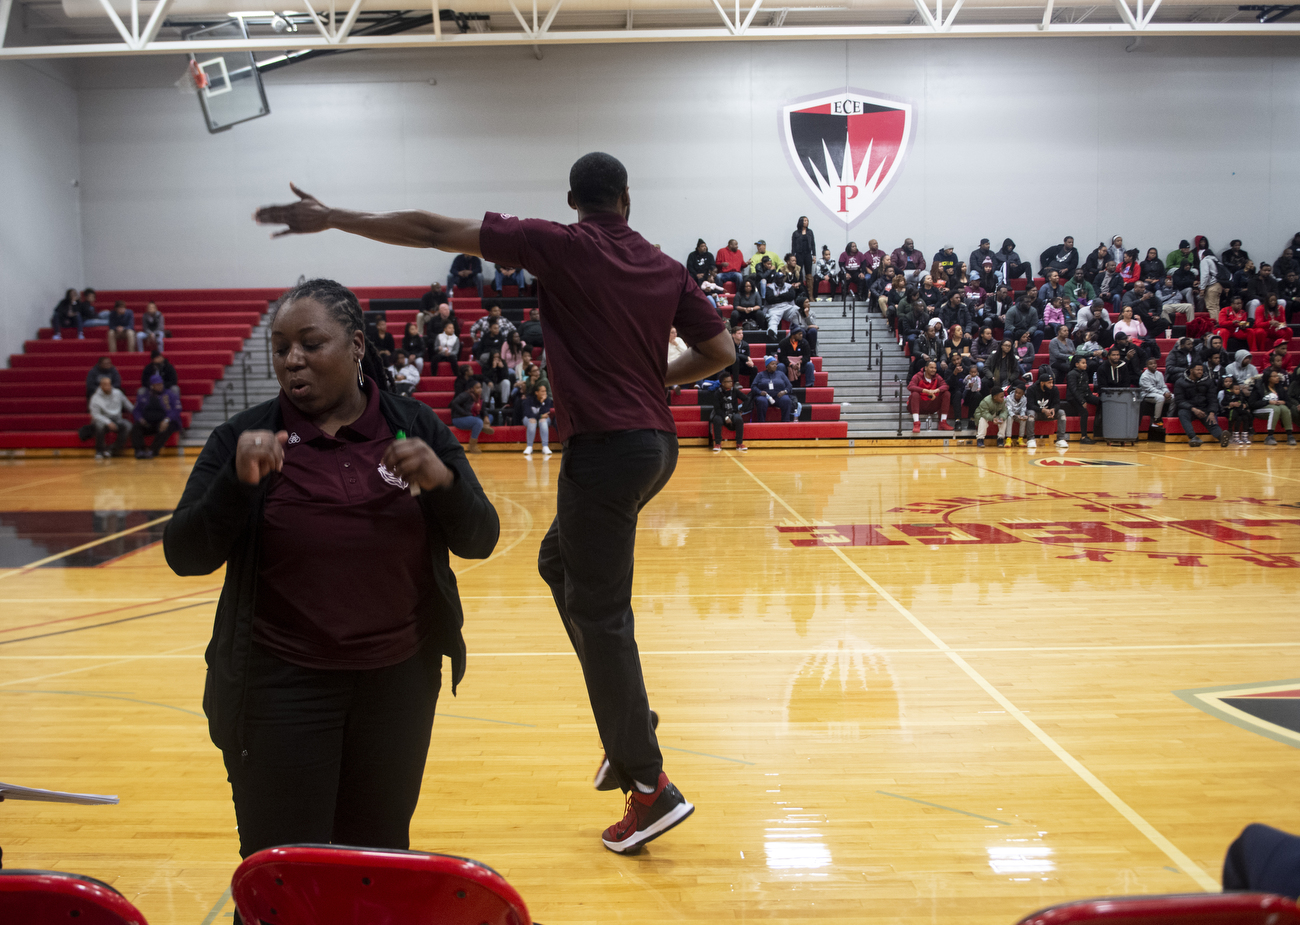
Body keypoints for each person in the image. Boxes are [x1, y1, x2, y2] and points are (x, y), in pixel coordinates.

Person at [256, 154, 732, 854]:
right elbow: (719, 349)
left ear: (574, 200)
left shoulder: (561, 243)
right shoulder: (665, 267)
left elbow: (429, 229)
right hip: (654, 447)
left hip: (603, 450)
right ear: (628, 200)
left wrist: (334, 217)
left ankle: (649, 783)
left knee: (602, 616)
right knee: (557, 565)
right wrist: (654, 380)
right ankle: (624, 731)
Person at [162, 278, 498, 870]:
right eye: (281, 345)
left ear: (357, 346)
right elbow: (185, 555)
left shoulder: (414, 426)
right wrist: (235, 485)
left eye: (311, 343)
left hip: (396, 686)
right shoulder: (241, 438)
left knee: (377, 859)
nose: (292, 359)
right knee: (284, 868)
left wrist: (442, 484)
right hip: (279, 688)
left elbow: (481, 539)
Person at [1175, 362, 1228, 447]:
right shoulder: (1180, 382)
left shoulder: (1208, 382)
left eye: (1201, 370)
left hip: (1204, 408)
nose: (1200, 372)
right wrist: (1193, 409)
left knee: (1211, 419)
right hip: (1189, 409)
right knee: (1182, 413)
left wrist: (1212, 412)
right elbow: (1179, 401)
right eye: (1198, 370)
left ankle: (1222, 437)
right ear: (1191, 370)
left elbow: (1212, 399)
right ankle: (1193, 437)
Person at [132, 373, 182, 458]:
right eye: (157, 385)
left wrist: (167, 420)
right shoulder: (145, 395)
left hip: (164, 421)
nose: (160, 386)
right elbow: (136, 410)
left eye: (161, 384)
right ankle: (139, 450)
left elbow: (176, 410)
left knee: (169, 427)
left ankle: (153, 450)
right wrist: (140, 419)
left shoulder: (169, 394)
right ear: (152, 386)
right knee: (136, 427)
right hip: (148, 423)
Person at [88, 374, 134, 458]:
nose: (108, 386)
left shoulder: (118, 393)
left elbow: (129, 406)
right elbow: (95, 415)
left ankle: (112, 450)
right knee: (98, 425)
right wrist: (108, 422)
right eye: (105, 385)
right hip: (103, 419)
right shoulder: (95, 398)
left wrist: (137, 412)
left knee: (128, 426)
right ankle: (100, 450)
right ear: (101, 386)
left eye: (109, 384)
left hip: (117, 419)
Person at [1025, 368, 1068, 448]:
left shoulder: (1054, 389)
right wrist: (1043, 410)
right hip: (1037, 413)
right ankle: (1030, 439)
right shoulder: (1032, 389)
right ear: (1042, 383)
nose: (1051, 384)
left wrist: (1053, 409)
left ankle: (1060, 439)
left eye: (1052, 382)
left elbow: (1057, 403)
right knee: (1030, 413)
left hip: (1049, 414)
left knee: (1062, 413)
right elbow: (1030, 405)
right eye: (1049, 383)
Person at [708, 372, 750, 452]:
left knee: (739, 419)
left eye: (731, 381)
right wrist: (725, 417)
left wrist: (742, 410)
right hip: (721, 413)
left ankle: (739, 443)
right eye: (728, 382)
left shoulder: (734, 391)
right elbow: (717, 409)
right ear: (723, 383)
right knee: (717, 420)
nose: (731, 383)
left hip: (733, 412)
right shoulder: (717, 393)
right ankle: (717, 443)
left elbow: (746, 399)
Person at [448, 380, 495, 452]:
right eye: (477, 388)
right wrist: (464, 413)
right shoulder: (465, 395)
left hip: (473, 417)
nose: (480, 389)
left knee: (490, 416)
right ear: (472, 389)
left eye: (480, 387)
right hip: (460, 418)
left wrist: (486, 417)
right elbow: (454, 403)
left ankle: (483, 426)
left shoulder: (479, 397)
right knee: (478, 422)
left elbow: (483, 409)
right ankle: (472, 446)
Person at [1252, 369, 1296, 445]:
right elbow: (1252, 404)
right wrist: (1268, 402)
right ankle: (1270, 436)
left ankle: (1290, 435)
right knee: (1275, 409)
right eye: (1274, 376)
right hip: (1259, 410)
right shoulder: (1259, 387)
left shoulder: (1279, 387)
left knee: (1284, 408)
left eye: (1277, 376)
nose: (1277, 378)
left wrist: (1284, 402)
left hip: (1275, 409)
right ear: (1268, 378)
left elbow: (1288, 401)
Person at [907, 360, 952, 433]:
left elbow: (945, 386)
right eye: (931, 368)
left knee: (946, 393)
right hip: (919, 405)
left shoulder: (937, 377)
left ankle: (943, 422)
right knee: (915, 394)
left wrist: (935, 391)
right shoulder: (918, 376)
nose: (933, 370)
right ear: (926, 368)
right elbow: (910, 386)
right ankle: (916, 423)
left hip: (931, 405)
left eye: (935, 368)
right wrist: (926, 391)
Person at [1065, 354, 1099, 444]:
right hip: (1073, 397)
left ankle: (1099, 428)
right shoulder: (1071, 374)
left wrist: (1091, 396)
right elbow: (1073, 389)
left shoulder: (1084, 373)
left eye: (1085, 363)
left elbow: (1086, 387)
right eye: (1083, 363)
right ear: (1077, 364)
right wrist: (1082, 401)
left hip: (1085, 394)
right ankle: (1084, 436)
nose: (1085, 365)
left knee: (1101, 402)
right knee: (1084, 412)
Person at [752, 357, 795, 422]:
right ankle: (761, 423)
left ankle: (785, 423)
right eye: (772, 364)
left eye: (776, 364)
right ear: (767, 366)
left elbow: (789, 386)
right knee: (761, 401)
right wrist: (760, 392)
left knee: (786, 400)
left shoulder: (781, 374)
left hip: (779, 396)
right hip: (765, 396)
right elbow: (753, 386)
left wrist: (784, 391)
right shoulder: (760, 375)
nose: (775, 366)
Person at [1137, 355, 1173, 429]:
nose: (1153, 365)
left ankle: (1169, 416)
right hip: (1147, 395)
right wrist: (1163, 393)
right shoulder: (1144, 376)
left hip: (1159, 393)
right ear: (1147, 366)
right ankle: (1156, 420)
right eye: (1151, 364)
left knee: (1174, 397)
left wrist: (1167, 392)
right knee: (1160, 398)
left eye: (1155, 363)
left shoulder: (1159, 374)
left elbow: (1163, 386)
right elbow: (1150, 389)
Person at [522, 384, 554, 456]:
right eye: (542, 391)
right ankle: (529, 446)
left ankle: (545, 446)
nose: (544, 393)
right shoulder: (529, 400)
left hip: (544, 420)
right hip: (528, 419)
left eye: (545, 391)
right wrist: (540, 416)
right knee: (533, 420)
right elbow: (528, 413)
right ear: (536, 392)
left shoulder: (547, 400)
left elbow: (546, 413)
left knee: (543, 420)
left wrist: (542, 403)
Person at [1223, 379, 1253, 445]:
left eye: (1239, 389)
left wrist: (1245, 405)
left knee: (1246, 418)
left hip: (1241, 411)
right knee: (1238, 419)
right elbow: (1223, 403)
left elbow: (1246, 402)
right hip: (1233, 411)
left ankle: (1245, 437)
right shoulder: (1228, 395)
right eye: (1236, 389)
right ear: (1231, 390)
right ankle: (1235, 437)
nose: (1238, 390)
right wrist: (1231, 404)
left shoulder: (1241, 395)